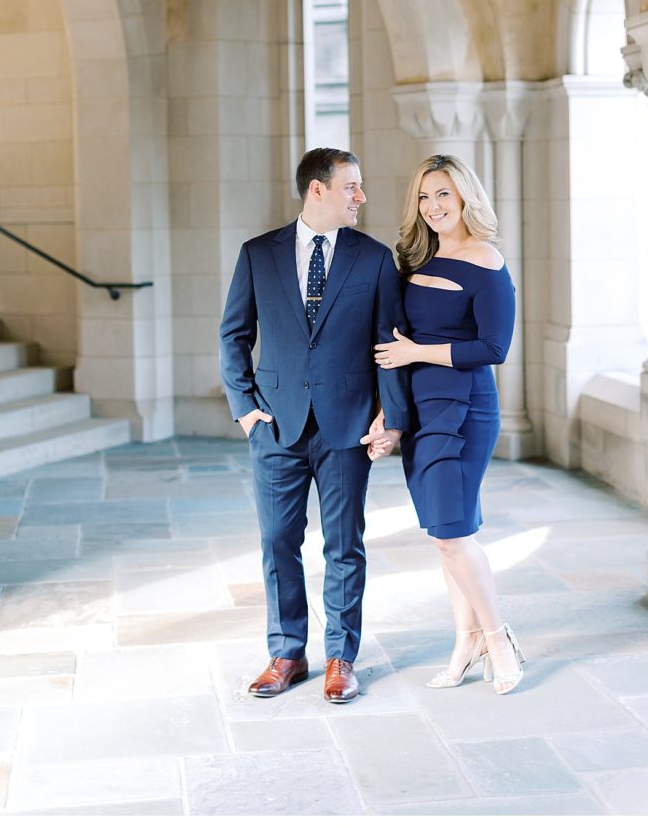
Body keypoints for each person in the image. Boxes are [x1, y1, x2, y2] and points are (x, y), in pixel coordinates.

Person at [219, 147, 409, 704]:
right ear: (317, 189)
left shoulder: (374, 259)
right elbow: (234, 335)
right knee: (278, 541)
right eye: (351, 186)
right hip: (275, 425)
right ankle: (286, 653)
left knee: (344, 544)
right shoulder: (258, 254)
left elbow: (388, 345)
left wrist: (389, 417)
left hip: (346, 425)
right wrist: (247, 409)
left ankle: (342, 658)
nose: (361, 196)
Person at [368, 154, 526, 693]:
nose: (432, 206)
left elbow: (494, 347)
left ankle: (498, 638)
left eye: (442, 195)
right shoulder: (414, 262)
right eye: (423, 197)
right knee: (445, 534)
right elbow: (396, 348)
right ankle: (465, 641)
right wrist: (389, 412)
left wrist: (418, 351)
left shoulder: (486, 260)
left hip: (465, 407)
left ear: (465, 198)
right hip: (420, 410)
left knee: (455, 534)